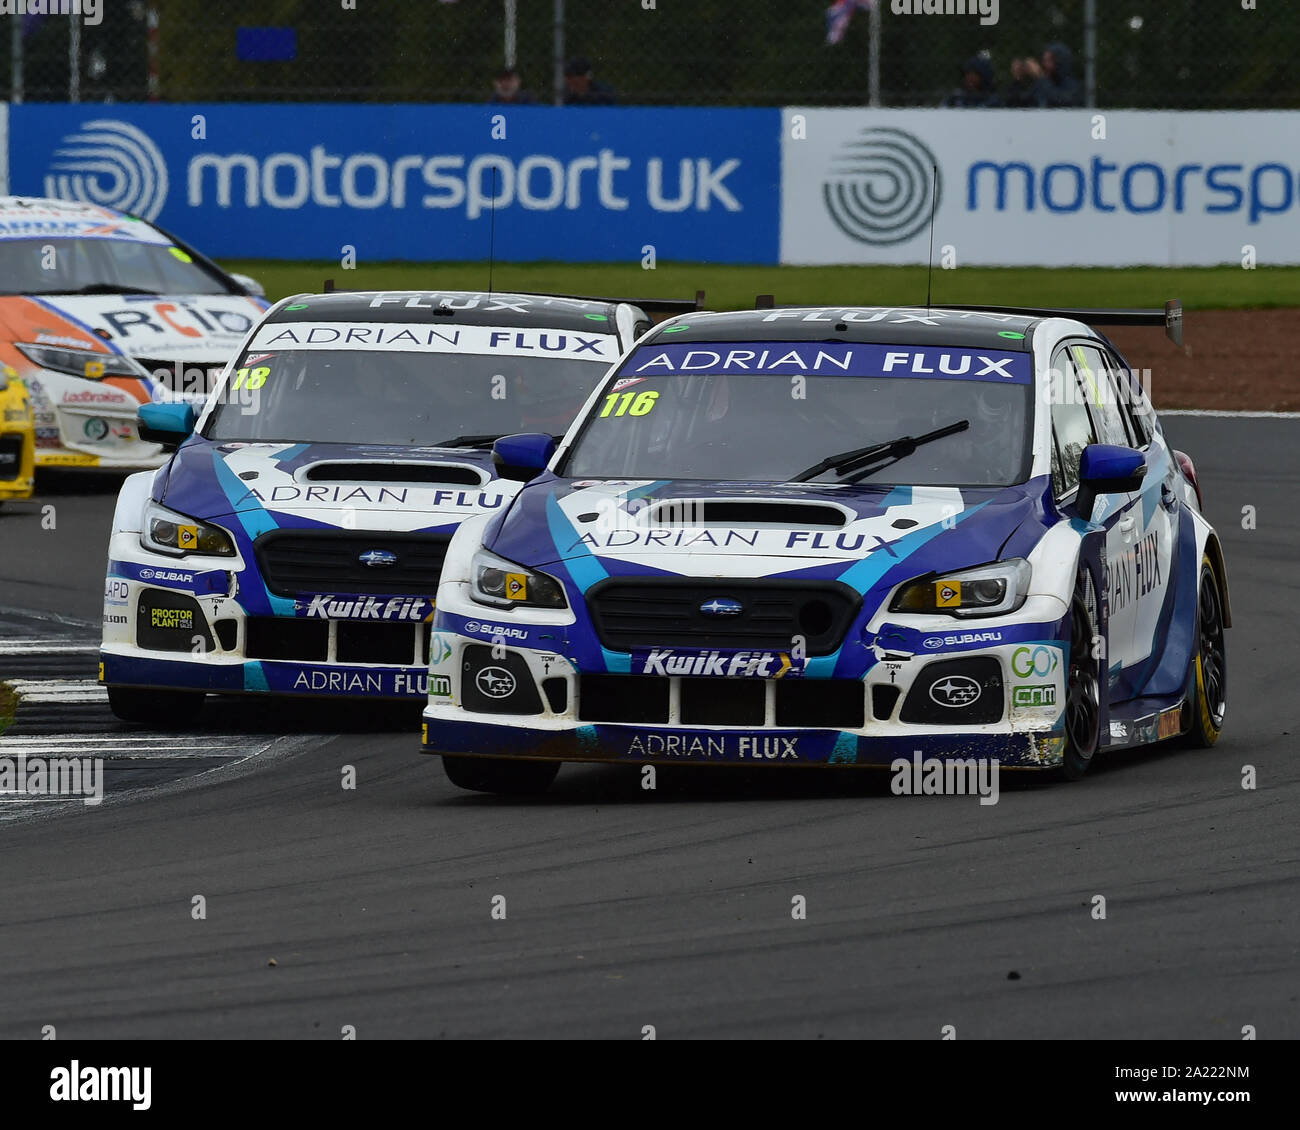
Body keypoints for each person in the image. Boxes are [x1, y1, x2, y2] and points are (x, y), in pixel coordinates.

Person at [1031, 42, 1082, 107]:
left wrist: (1041, 77)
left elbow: (1059, 100)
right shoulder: (1043, 82)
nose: (1044, 64)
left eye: (1048, 61)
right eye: (1044, 60)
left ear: (1059, 62)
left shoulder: (1072, 85)